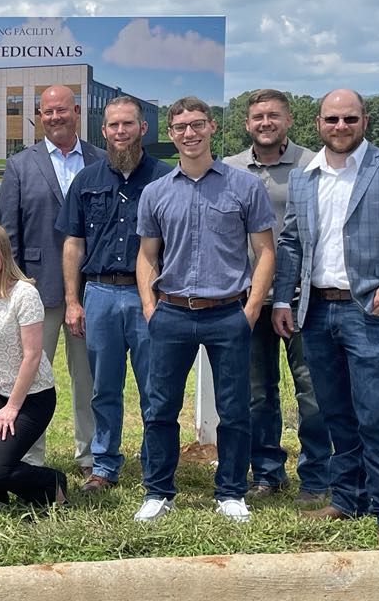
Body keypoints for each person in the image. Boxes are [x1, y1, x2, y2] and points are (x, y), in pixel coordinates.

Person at [135, 96, 275, 522]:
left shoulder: (244, 186)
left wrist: (250, 311)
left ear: (212, 127)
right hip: (172, 313)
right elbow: (146, 256)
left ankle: (231, 491)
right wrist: (149, 306)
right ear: (171, 134)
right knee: (159, 407)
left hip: (227, 313)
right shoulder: (156, 192)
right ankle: (158, 491)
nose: (189, 133)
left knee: (234, 409)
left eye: (196, 124)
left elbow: (265, 252)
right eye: (179, 127)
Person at [272, 88, 379, 551]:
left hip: (371, 312)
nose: (341, 127)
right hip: (317, 311)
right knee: (335, 412)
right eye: (332, 120)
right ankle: (348, 496)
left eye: (350, 119)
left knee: (377, 414)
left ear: (365, 121)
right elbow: (291, 243)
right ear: (316, 122)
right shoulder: (306, 177)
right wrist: (283, 300)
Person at [56, 97, 171, 492]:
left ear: (143, 128)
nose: (120, 132)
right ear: (102, 131)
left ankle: (156, 463)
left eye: (128, 124)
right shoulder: (86, 181)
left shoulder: (164, 179)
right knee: (103, 387)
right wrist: (73, 300)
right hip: (100, 293)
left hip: (148, 298)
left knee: (154, 386)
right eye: (113, 126)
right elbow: (73, 244)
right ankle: (104, 465)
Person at [223, 89, 330, 504]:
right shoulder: (231, 169)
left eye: (273, 116)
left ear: (288, 120)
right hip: (247, 299)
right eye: (257, 117)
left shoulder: (312, 165)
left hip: (304, 298)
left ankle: (317, 474)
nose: (265, 123)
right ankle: (267, 473)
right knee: (256, 393)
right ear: (246, 124)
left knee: (312, 391)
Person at [0, 84, 104, 476]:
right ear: (39, 117)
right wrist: (17, 286)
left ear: (76, 111)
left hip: (90, 288)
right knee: (31, 376)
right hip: (35, 290)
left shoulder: (100, 159)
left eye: (62, 110)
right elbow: (9, 234)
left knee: (87, 378)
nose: (55, 117)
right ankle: (29, 455)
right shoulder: (20, 164)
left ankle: (90, 456)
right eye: (47, 112)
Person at [0, 222, 68, 507]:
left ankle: (53, 483)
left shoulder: (24, 294)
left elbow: (32, 355)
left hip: (32, 396)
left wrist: (13, 407)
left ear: (5, 254)